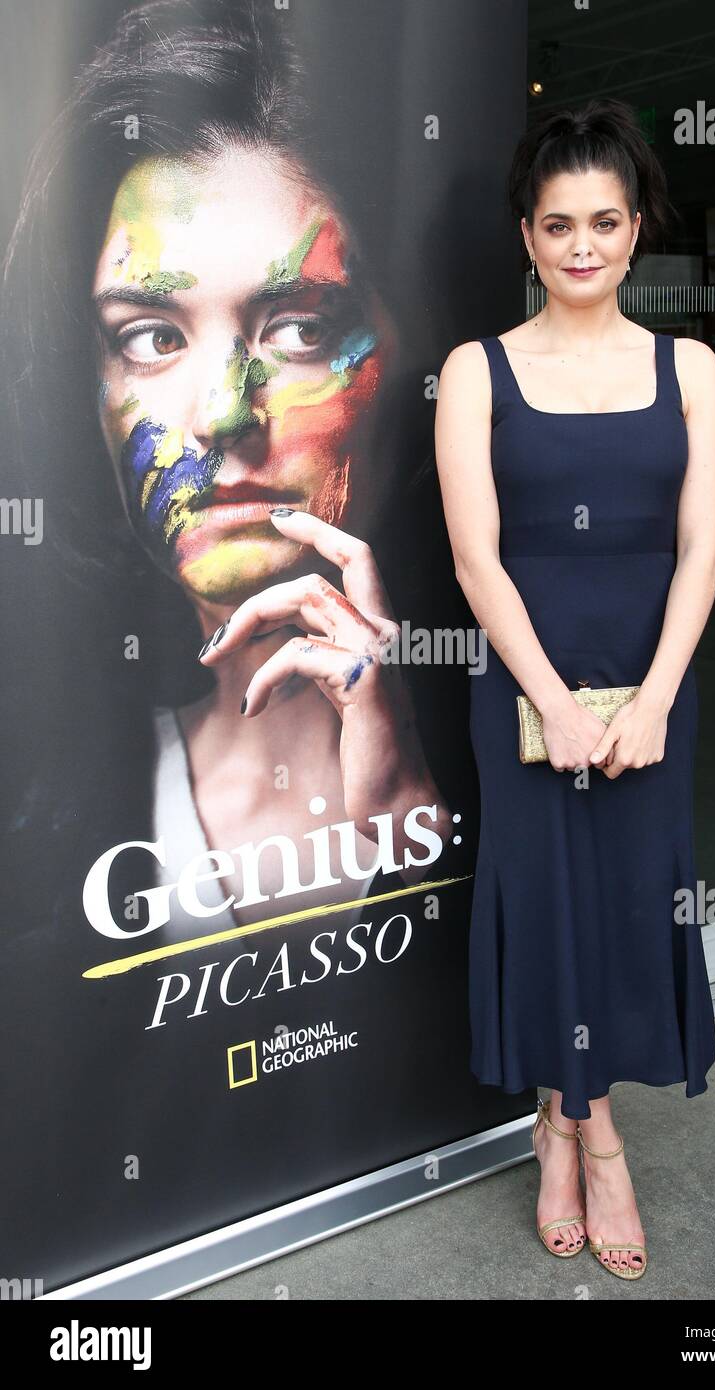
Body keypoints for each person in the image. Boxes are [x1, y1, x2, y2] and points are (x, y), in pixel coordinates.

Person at [1, 0, 462, 942]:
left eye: (300, 328)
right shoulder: (44, 806)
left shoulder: (492, 745)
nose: (221, 416)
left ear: (414, 345)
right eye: (153, 337)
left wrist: (415, 818)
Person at [434, 99, 715, 1279]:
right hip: (524, 685)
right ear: (525, 235)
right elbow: (473, 557)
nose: (582, 247)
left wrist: (653, 695)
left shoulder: (688, 366)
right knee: (546, 902)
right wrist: (550, 697)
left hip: (653, 683)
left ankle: (570, 1125)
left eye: (604, 222)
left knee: (625, 903)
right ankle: (585, 1140)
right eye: (558, 225)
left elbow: (701, 546)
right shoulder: (475, 371)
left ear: (637, 225)